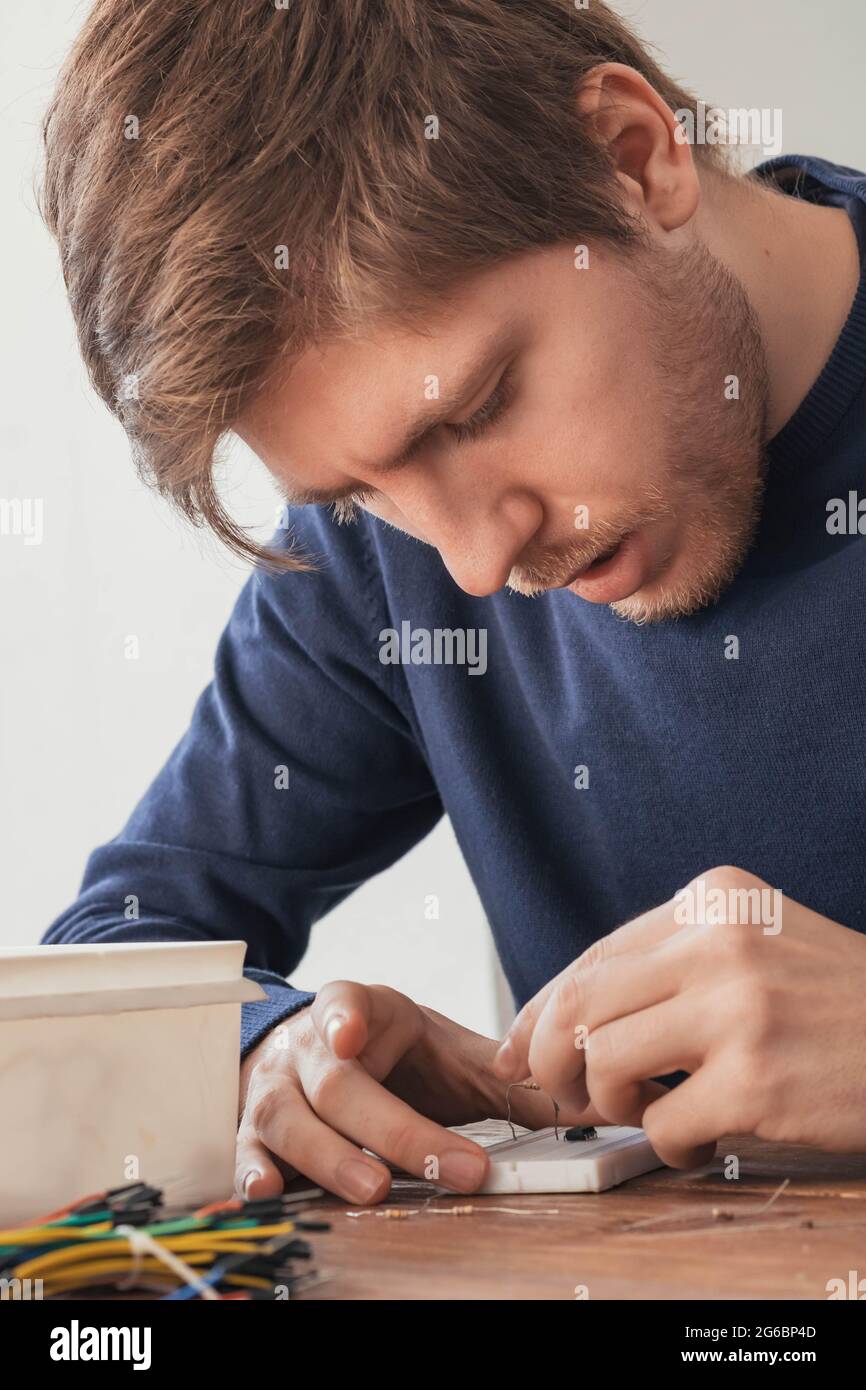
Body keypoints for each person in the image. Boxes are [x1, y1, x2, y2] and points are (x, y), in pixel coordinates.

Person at [40, 0, 866, 1206]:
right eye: (356, 491)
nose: (474, 561)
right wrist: (269, 1050)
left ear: (633, 161)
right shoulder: (388, 555)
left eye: (472, 412)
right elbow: (121, 947)